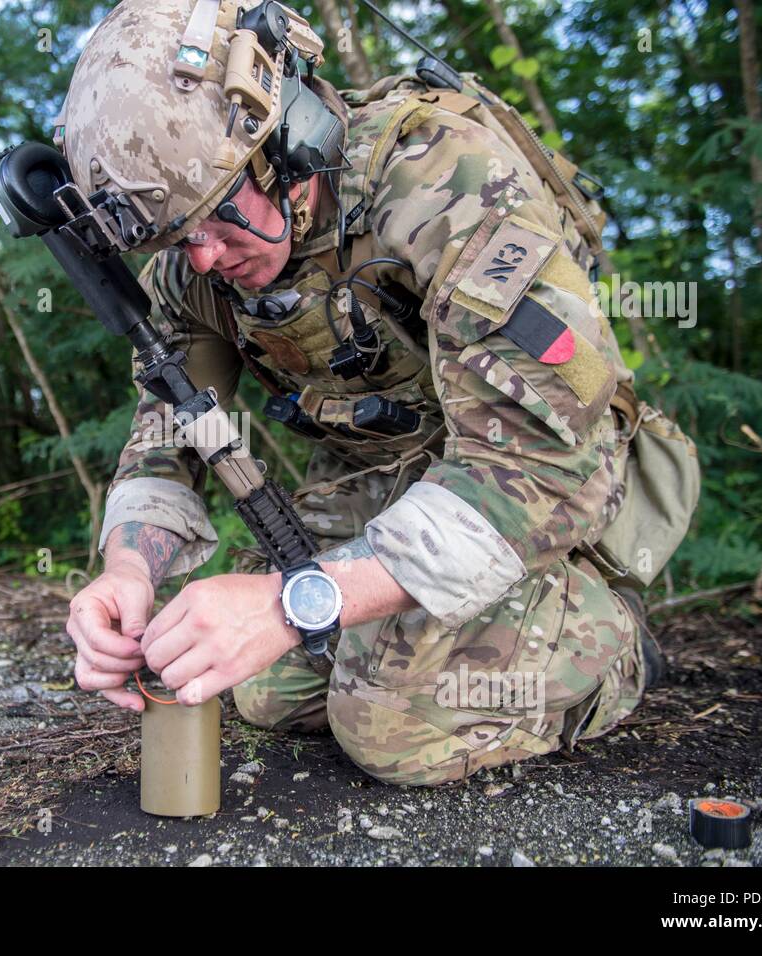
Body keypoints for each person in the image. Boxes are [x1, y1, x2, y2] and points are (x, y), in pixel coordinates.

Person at [59, 0, 663, 786]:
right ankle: (396, 634)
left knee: (387, 729)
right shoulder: (195, 265)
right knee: (263, 690)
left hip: (529, 496)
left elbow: (548, 461)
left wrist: (290, 603)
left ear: (283, 139)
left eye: (212, 218)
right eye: (175, 238)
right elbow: (171, 429)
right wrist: (127, 570)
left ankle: (609, 638)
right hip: (382, 490)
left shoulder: (443, 181)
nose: (201, 258)